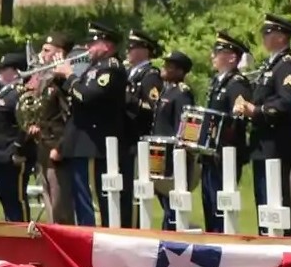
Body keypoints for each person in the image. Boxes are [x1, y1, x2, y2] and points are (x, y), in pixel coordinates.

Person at [237, 14, 291, 236]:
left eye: (268, 33)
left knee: (290, 202)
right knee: (268, 204)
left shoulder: (288, 65)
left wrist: (257, 111)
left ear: (282, 37)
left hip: (285, 146)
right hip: (267, 145)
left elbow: (287, 102)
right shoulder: (271, 65)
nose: (264, 37)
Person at [59, 22, 128, 227]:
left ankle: (93, 234)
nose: (88, 48)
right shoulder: (94, 67)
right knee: (81, 196)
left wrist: (69, 75)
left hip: (93, 143)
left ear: (107, 46)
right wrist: (57, 78)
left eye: (93, 43)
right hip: (82, 140)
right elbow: (73, 93)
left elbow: (88, 96)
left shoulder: (111, 68)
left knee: (91, 197)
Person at [201, 33, 252, 233]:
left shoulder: (236, 83)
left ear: (232, 58)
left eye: (218, 52)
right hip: (211, 152)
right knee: (209, 203)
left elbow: (238, 115)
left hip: (226, 153)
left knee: (221, 204)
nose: (213, 55)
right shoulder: (217, 81)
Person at [22, 32, 75, 224]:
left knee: (60, 200)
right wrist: (33, 124)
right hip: (43, 142)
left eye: (46, 51)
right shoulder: (46, 77)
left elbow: (70, 115)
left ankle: (65, 241)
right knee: (47, 195)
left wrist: (60, 146)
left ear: (59, 53)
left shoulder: (64, 80)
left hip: (57, 145)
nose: (41, 54)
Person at [0, 53, 29, 222]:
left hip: (10, 154)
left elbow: (26, 123)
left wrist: (17, 149)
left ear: (16, 72)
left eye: (4, 69)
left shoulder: (20, 93)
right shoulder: (2, 92)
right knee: (4, 198)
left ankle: (23, 235)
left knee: (15, 200)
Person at [152, 51, 194, 229]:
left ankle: (172, 229)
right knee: (162, 195)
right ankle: (167, 227)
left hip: (172, 154)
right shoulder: (166, 90)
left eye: (169, 66)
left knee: (171, 198)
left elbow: (183, 124)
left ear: (179, 71)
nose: (164, 68)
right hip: (159, 151)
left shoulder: (181, 93)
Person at [123, 30, 162, 219]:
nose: (128, 51)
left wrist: (129, 100)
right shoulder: (129, 73)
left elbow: (154, 106)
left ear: (145, 51)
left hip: (139, 136)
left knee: (137, 189)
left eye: (133, 47)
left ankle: (136, 223)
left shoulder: (150, 75)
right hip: (126, 137)